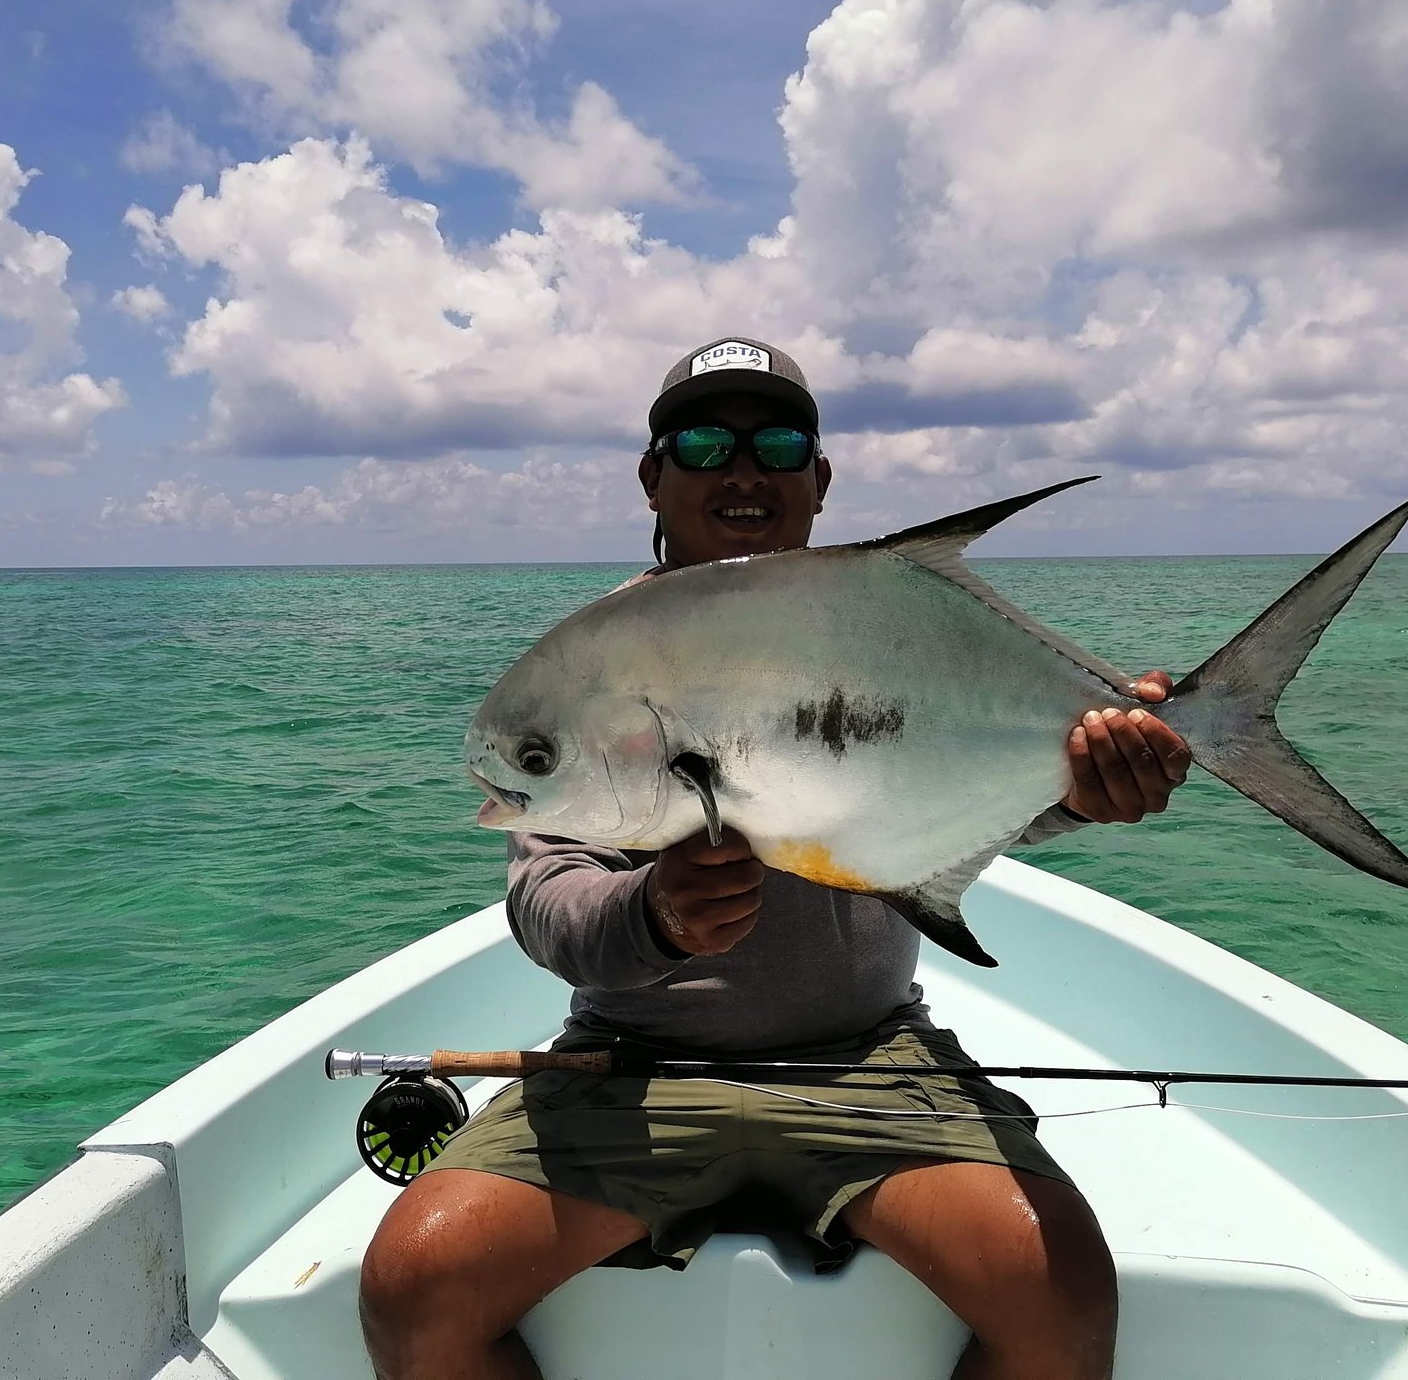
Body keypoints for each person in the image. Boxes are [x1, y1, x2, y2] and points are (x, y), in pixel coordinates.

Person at [361, 338, 1192, 1380]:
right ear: (652, 477)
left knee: (1058, 1291)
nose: (741, 469)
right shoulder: (592, 668)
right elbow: (545, 898)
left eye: (777, 442)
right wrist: (651, 917)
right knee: (413, 1287)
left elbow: (963, 803)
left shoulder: (884, 623)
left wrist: (1085, 784)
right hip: (628, 1068)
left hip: (866, 1062)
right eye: (704, 442)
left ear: (819, 478)